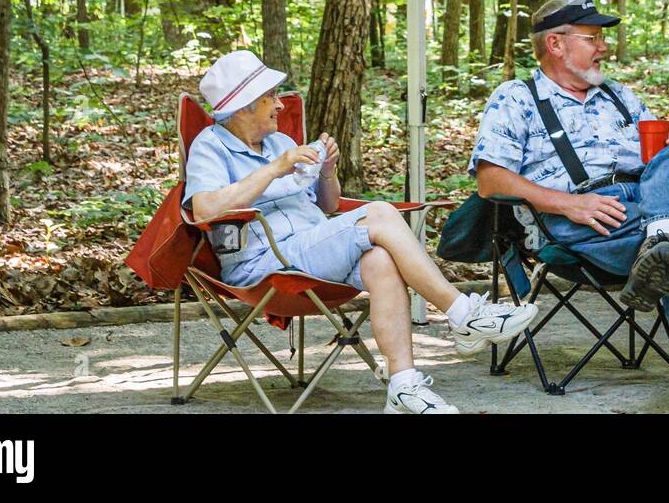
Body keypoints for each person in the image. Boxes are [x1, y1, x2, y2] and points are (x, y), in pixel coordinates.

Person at [185, 50, 538, 414]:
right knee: (381, 212)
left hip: (311, 249)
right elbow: (204, 209)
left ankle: (403, 387)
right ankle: (462, 314)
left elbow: (326, 205)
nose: (279, 104)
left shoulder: (282, 144)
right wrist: (275, 169)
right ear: (243, 107)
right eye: (270, 97)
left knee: (381, 260)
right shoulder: (211, 146)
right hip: (262, 263)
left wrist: (327, 171)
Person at [470, 0, 669, 414]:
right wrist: (569, 204)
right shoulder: (515, 97)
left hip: (645, 205)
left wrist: (663, 190)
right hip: (576, 220)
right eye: (593, 38)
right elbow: (489, 179)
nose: (604, 48)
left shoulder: (618, 96)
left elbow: (663, 165)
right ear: (556, 44)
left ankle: (659, 241)